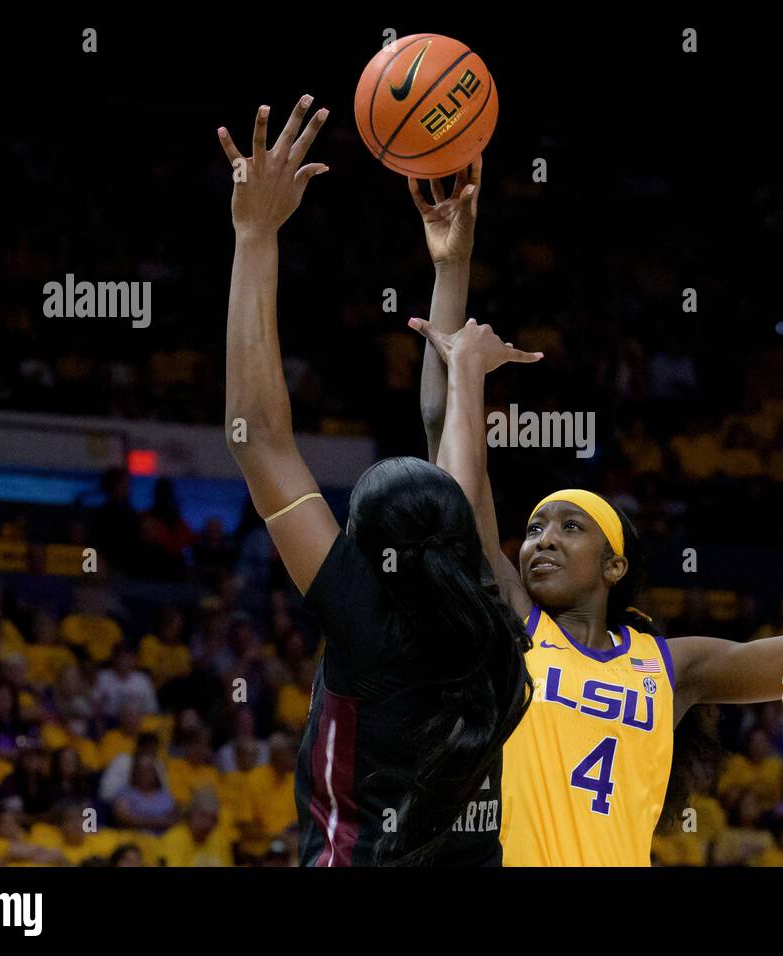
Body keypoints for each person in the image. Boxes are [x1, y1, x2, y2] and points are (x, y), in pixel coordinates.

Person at [412, 163, 783, 864]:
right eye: (535, 526)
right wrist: (453, 268)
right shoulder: (516, 623)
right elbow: (442, 424)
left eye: (570, 526)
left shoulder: (674, 669)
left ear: (614, 564)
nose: (540, 539)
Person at [216, 99, 536, 865]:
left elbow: (255, 435)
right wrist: (451, 272)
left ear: (360, 548)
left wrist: (255, 234)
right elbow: (449, 449)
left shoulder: (369, 622)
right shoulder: (502, 617)